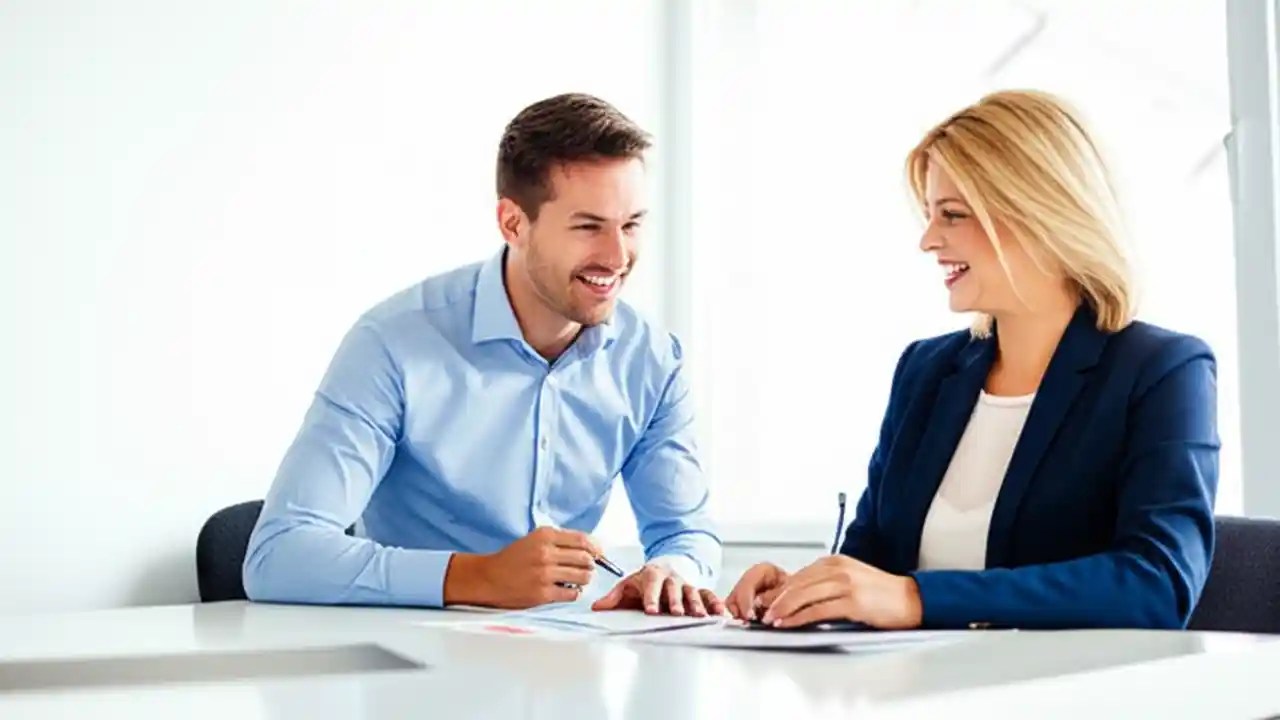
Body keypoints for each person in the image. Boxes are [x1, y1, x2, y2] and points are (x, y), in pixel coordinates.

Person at [727, 89, 1219, 630]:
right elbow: (875, 561)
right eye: (931, 215)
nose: (928, 240)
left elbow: (1157, 584)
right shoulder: (926, 371)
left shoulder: (1163, 370)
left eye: (953, 215)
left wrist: (919, 599)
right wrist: (806, 591)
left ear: (1040, 214)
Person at [243, 92, 723, 616]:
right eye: (588, 227)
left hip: (568, 660)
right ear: (513, 224)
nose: (617, 256)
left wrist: (672, 571)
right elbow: (278, 554)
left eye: (631, 224)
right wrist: (478, 576)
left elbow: (687, 533)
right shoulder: (393, 343)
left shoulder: (651, 359)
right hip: (413, 662)